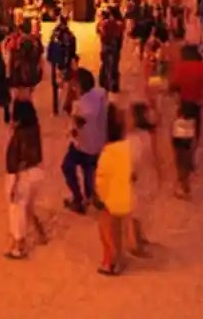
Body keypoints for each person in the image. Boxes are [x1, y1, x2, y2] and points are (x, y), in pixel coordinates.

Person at [3, 99, 46, 259]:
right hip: (37, 171)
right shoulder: (35, 129)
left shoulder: (18, 136)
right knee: (28, 206)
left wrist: (13, 185)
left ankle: (19, 245)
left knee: (16, 209)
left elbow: (13, 161)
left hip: (22, 175)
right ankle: (39, 232)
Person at [94, 105, 133, 275]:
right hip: (125, 196)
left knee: (106, 232)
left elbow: (102, 179)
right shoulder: (127, 149)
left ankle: (111, 262)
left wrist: (100, 198)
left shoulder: (108, 153)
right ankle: (121, 258)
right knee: (118, 231)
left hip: (110, 199)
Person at [62, 68, 107, 213]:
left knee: (67, 166)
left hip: (84, 146)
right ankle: (91, 195)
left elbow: (74, 129)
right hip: (99, 142)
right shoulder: (100, 94)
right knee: (89, 169)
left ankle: (78, 199)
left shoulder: (79, 107)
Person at [127, 103, 161, 252]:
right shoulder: (140, 137)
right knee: (137, 212)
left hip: (143, 177)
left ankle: (140, 237)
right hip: (141, 177)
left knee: (141, 211)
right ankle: (136, 244)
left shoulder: (138, 136)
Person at [172, 100, 199, 199]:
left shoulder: (178, 123)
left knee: (181, 169)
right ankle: (186, 189)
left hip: (180, 149)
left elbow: (174, 138)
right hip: (187, 149)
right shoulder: (191, 124)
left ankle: (183, 189)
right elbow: (193, 139)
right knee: (186, 170)